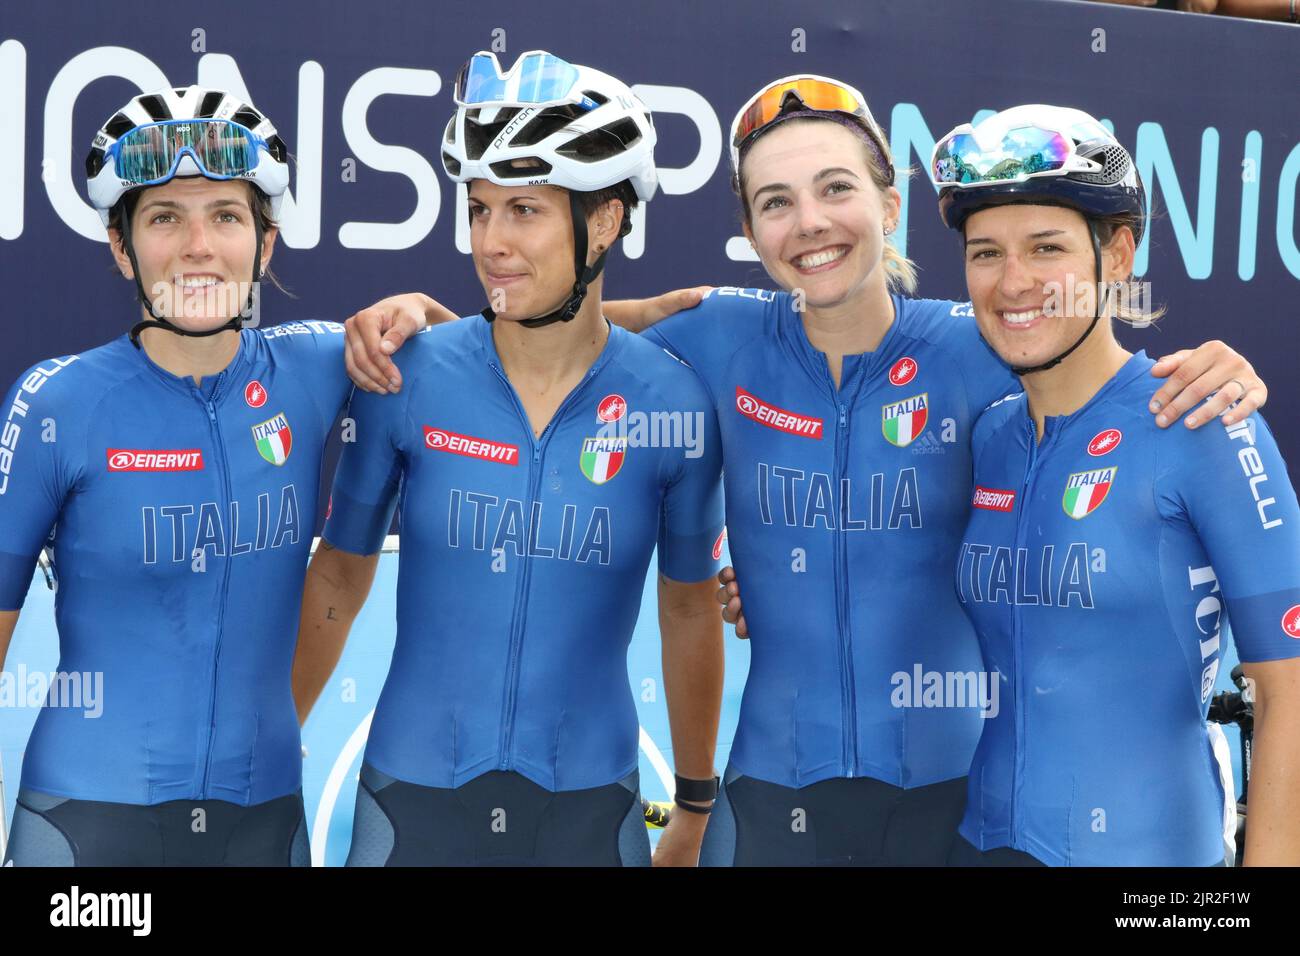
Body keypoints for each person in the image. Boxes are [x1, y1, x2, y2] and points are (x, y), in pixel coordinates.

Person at [342, 74, 1269, 866]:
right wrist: (421, 322)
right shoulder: (717, 337)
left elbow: (1091, 365)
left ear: (889, 204)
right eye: (775, 202)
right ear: (748, 226)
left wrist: (1208, 365)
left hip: (953, 806)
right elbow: (560, 325)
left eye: (835, 189)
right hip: (769, 800)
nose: (809, 223)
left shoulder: (981, 343)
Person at [292, 51, 726, 867]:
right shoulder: (408, 376)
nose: (491, 241)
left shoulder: (671, 405)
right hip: (411, 802)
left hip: (590, 810)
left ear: (603, 221)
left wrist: (696, 802)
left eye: (523, 209)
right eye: (478, 208)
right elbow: (340, 577)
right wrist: (275, 740)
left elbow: (689, 612)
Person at [926, 104, 1300, 866]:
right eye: (986, 252)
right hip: (983, 843)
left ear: (1119, 252)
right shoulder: (990, 434)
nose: (1014, 281)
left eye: (1047, 247)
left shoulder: (1202, 420)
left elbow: (1289, 692)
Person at [0, 85, 358, 866]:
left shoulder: (321, 366)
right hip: (88, 823)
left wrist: (630, 320)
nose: (198, 245)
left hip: (265, 820)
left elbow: (500, 344)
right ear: (122, 246)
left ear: (265, 243)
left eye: (225, 216)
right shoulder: (58, 400)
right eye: (165, 216)